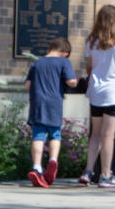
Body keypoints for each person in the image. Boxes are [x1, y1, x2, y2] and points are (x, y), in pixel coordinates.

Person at [79, 5, 115, 188]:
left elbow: (89, 68)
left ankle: (88, 172)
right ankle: (105, 175)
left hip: (96, 91)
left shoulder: (92, 42)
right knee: (108, 135)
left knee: (95, 133)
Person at [23, 37, 78, 188]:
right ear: (65, 53)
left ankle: (36, 166)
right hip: (54, 103)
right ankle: (53, 160)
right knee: (55, 134)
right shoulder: (64, 62)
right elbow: (70, 82)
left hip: (37, 104)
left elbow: (27, 85)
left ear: (49, 49)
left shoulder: (37, 63)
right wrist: (76, 81)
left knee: (38, 135)